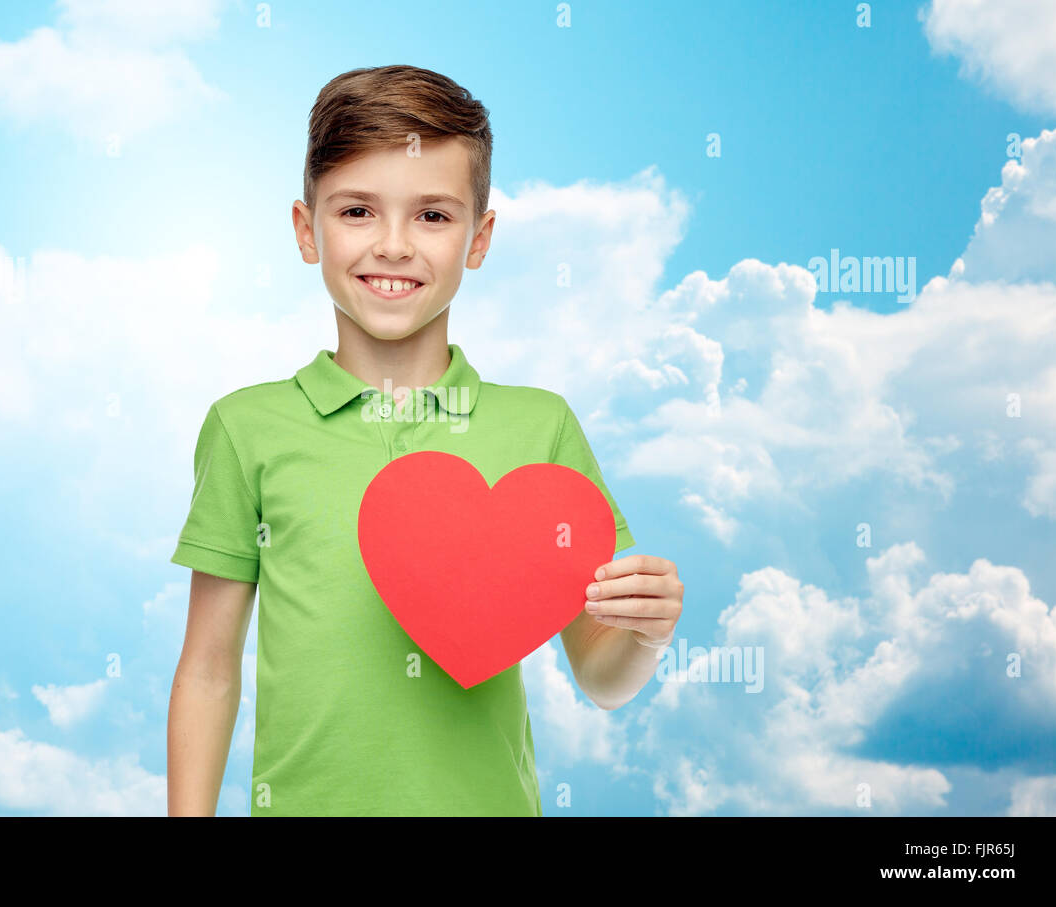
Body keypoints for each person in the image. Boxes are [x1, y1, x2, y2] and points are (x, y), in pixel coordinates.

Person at [166, 64, 684, 817]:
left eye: (433, 216)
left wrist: (645, 634)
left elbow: (601, 678)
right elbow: (209, 671)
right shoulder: (248, 428)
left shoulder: (541, 429)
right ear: (307, 230)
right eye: (357, 212)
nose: (395, 245)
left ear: (480, 238)